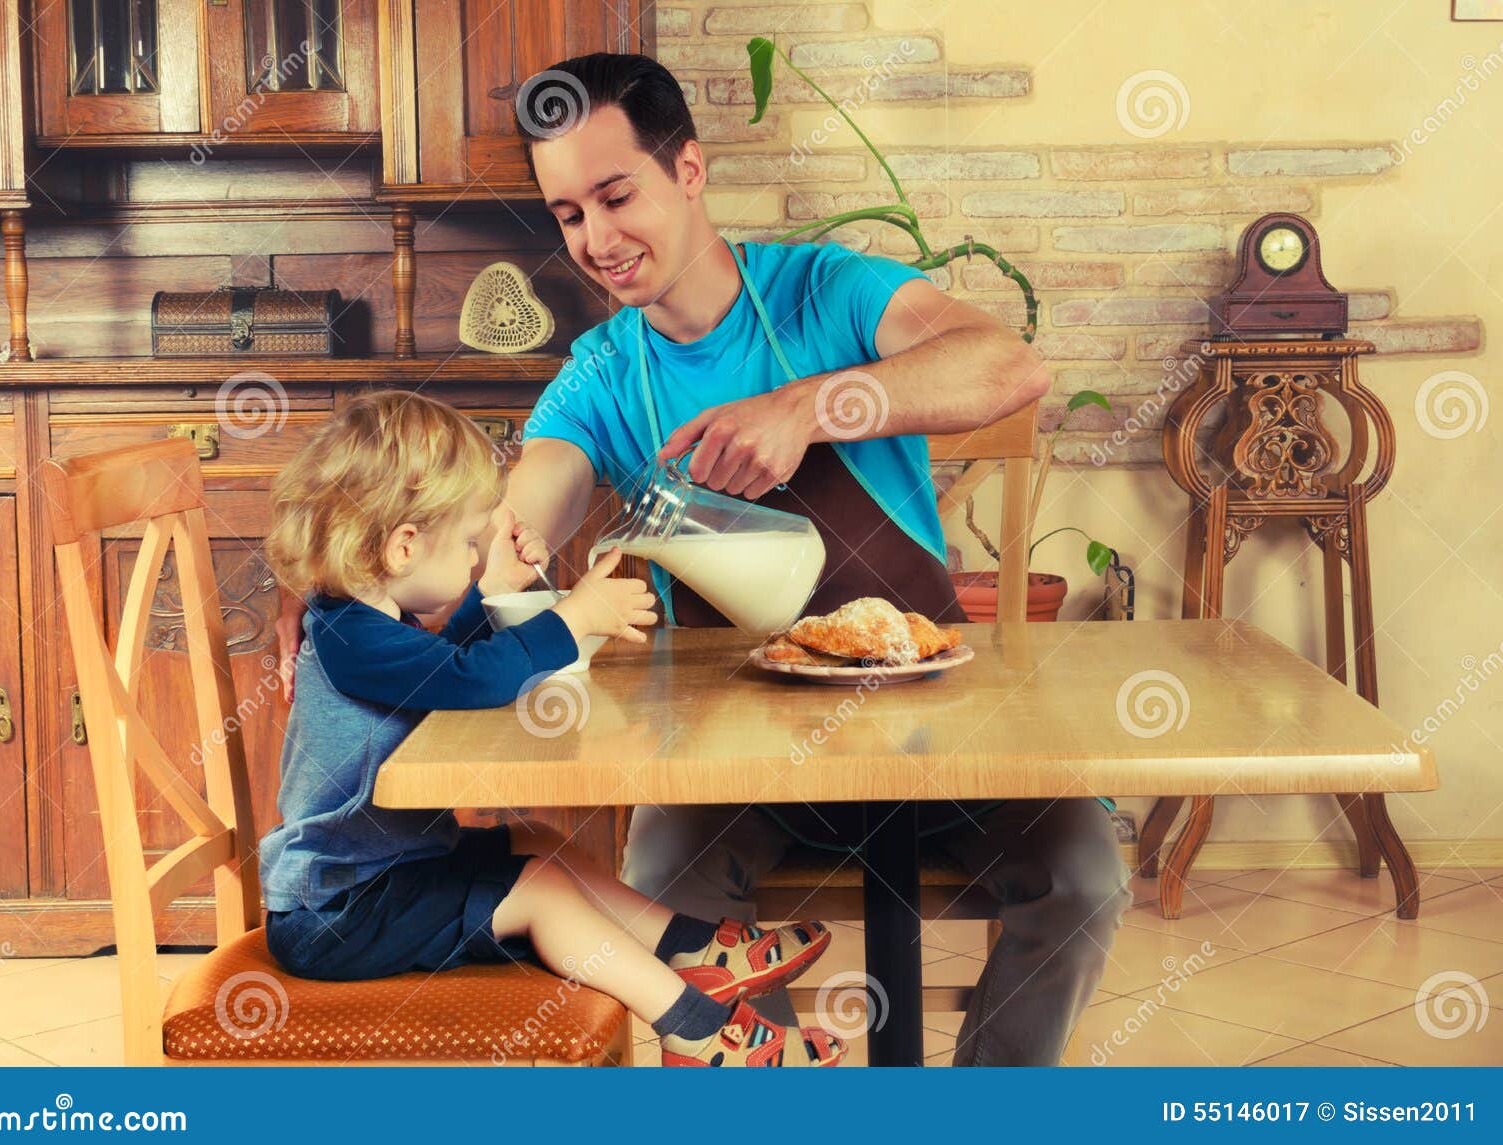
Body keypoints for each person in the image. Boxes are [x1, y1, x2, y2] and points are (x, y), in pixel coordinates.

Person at [502, 53, 1134, 1066]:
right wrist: (513, 531)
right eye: (569, 214)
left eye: (617, 195)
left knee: (1084, 880)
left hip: (939, 727)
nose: (599, 241)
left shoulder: (824, 292)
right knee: (665, 889)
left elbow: (1009, 362)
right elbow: (544, 479)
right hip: (737, 756)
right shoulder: (605, 373)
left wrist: (812, 404)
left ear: (691, 170)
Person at [259, 389, 846, 1067]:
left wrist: (492, 589)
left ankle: (697, 948)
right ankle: (697, 1029)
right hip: (338, 914)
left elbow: (444, 667)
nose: (477, 556)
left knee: (536, 841)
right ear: (402, 545)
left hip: (380, 876)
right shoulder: (347, 635)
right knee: (540, 889)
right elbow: (471, 678)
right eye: (471, 543)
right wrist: (574, 616)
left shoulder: (364, 622)